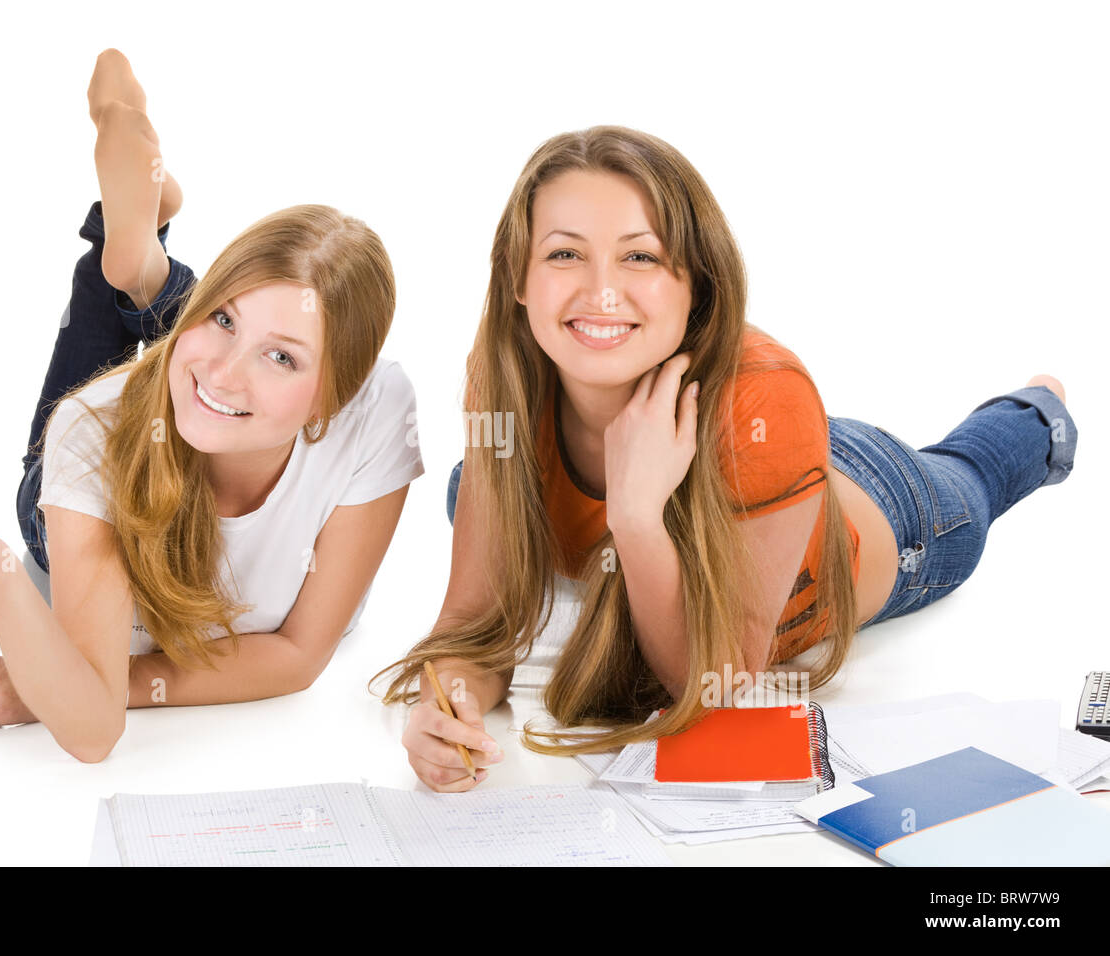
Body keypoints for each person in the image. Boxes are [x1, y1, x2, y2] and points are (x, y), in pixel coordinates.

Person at [378, 125, 1076, 792]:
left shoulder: (766, 399)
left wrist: (638, 515)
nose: (601, 291)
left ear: (697, 284)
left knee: (976, 474)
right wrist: (448, 704)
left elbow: (706, 680)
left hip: (886, 506)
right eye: (564, 254)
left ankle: (1033, 411)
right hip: (763, 458)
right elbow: (473, 625)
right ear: (518, 277)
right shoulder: (500, 379)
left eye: (640, 255)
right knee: (470, 484)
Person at [0, 50, 423, 762]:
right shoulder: (91, 435)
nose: (227, 373)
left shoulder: (377, 405)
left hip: (175, 407)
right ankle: (137, 267)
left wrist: (42, 683)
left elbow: (295, 656)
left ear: (338, 393)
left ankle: (138, 265)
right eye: (221, 316)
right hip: (84, 492)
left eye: (283, 356)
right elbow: (94, 731)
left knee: (198, 379)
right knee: (130, 400)